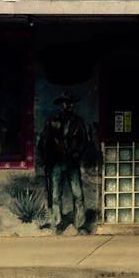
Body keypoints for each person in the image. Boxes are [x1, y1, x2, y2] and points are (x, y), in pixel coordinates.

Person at [38, 92, 90, 233]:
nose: (66, 105)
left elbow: (84, 140)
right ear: (60, 105)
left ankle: (80, 224)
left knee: (78, 194)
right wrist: (46, 159)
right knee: (55, 195)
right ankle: (57, 223)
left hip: (72, 162)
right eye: (63, 103)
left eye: (69, 103)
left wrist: (77, 153)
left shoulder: (78, 122)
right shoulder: (52, 121)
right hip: (56, 162)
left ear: (72, 105)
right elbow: (44, 141)